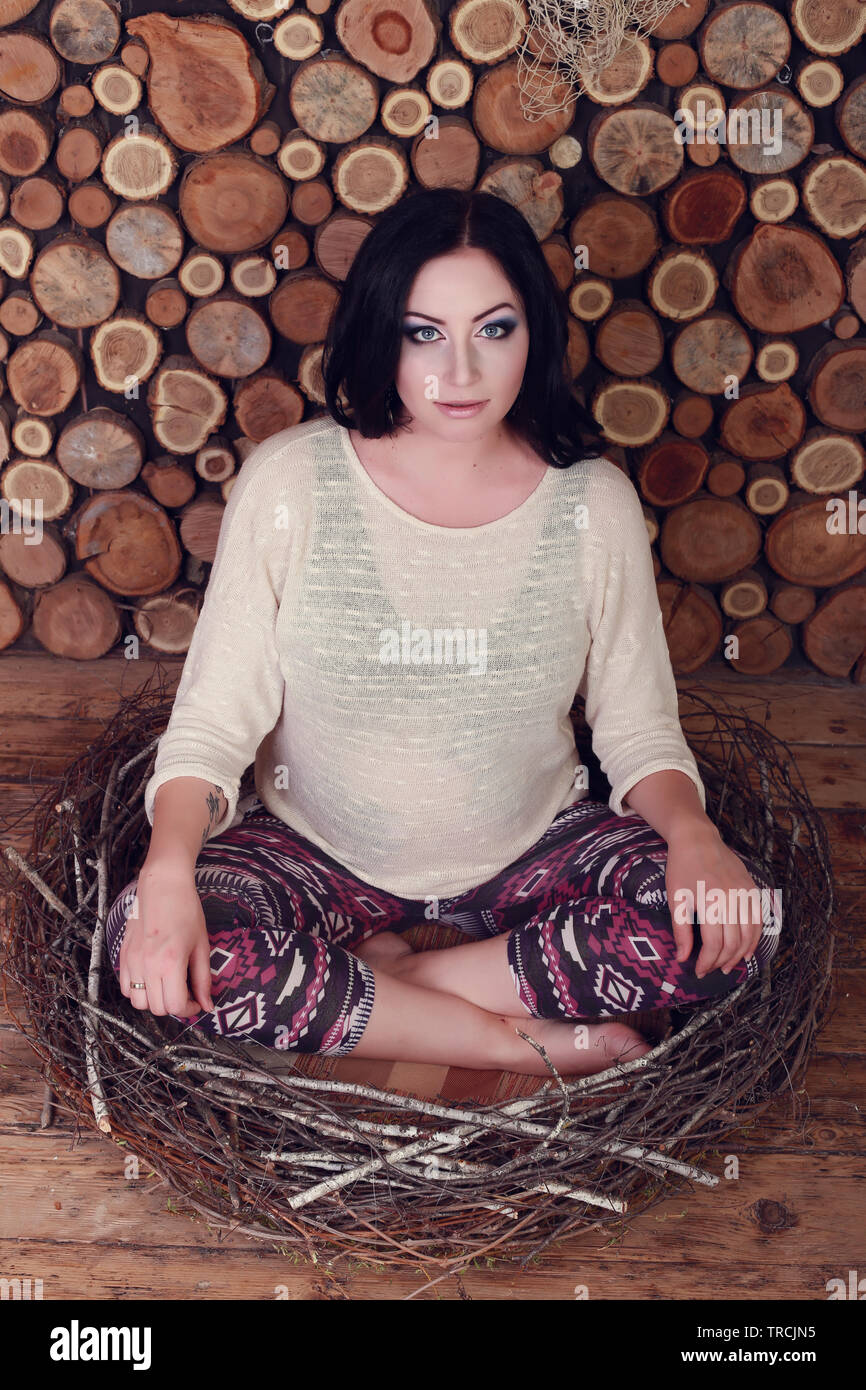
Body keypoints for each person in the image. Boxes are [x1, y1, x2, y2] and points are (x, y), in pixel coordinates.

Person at [106, 188, 782, 1079]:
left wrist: (694, 834)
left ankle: (404, 981)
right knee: (147, 950)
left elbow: (635, 723)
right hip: (316, 850)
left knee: (744, 929)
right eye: (424, 333)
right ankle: (499, 1035)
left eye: (493, 330)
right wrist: (164, 877)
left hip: (532, 847)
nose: (458, 372)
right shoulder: (292, 484)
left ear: (534, 333)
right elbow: (214, 719)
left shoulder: (592, 505)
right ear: (381, 335)